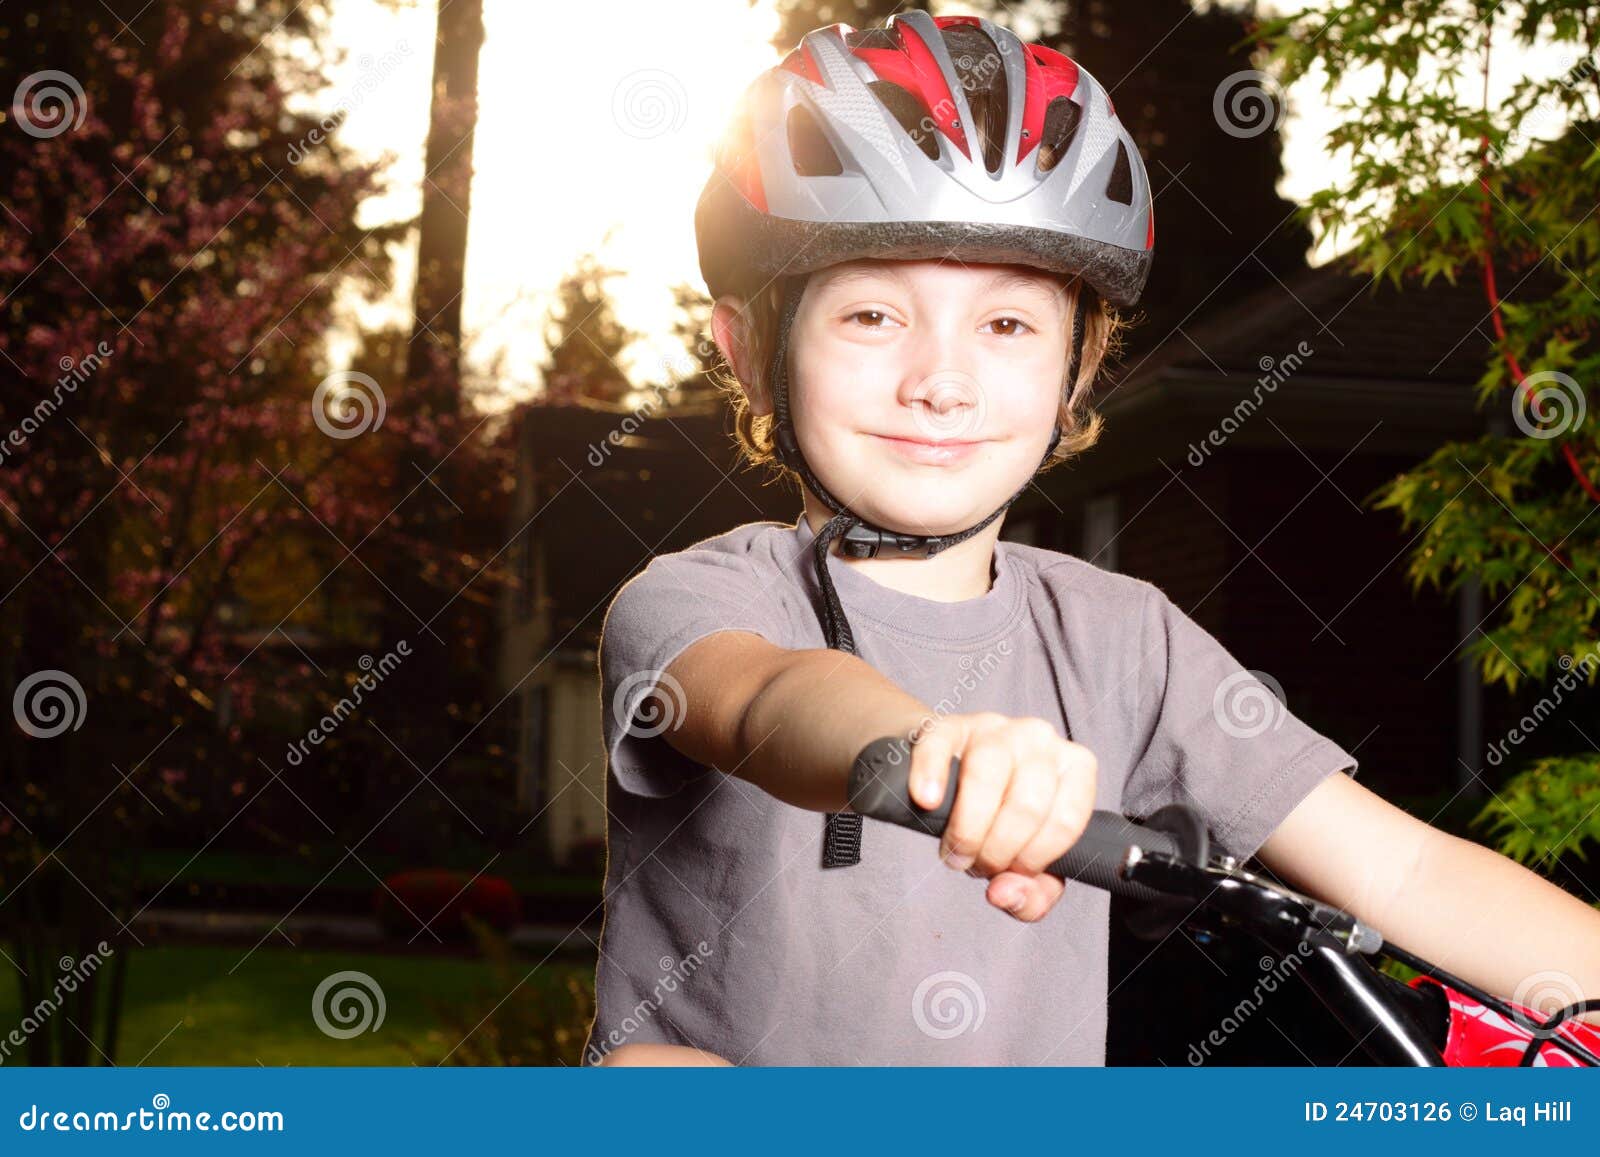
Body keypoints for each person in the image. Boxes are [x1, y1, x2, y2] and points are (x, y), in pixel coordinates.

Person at [583, 12, 1600, 1066]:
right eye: (872, 317)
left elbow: (1407, 876)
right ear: (750, 351)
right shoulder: (697, 600)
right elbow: (763, 701)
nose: (941, 379)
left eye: (1007, 325)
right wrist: (928, 745)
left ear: (1076, 370)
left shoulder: (1126, 639)